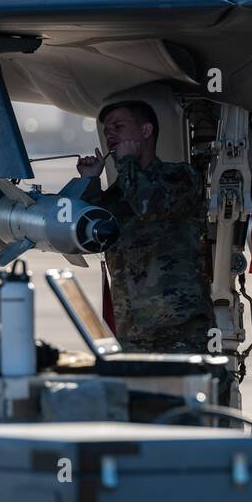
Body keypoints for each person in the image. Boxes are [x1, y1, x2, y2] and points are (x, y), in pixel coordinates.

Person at [76, 94, 213, 353]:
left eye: (119, 127)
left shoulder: (181, 177)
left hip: (180, 333)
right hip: (131, 334)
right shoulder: (118, 193)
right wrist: (89, 183)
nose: (110, 136)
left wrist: (126, 162)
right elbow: (88, 236)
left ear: (146, 130)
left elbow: (148, 206)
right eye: (107, 131)